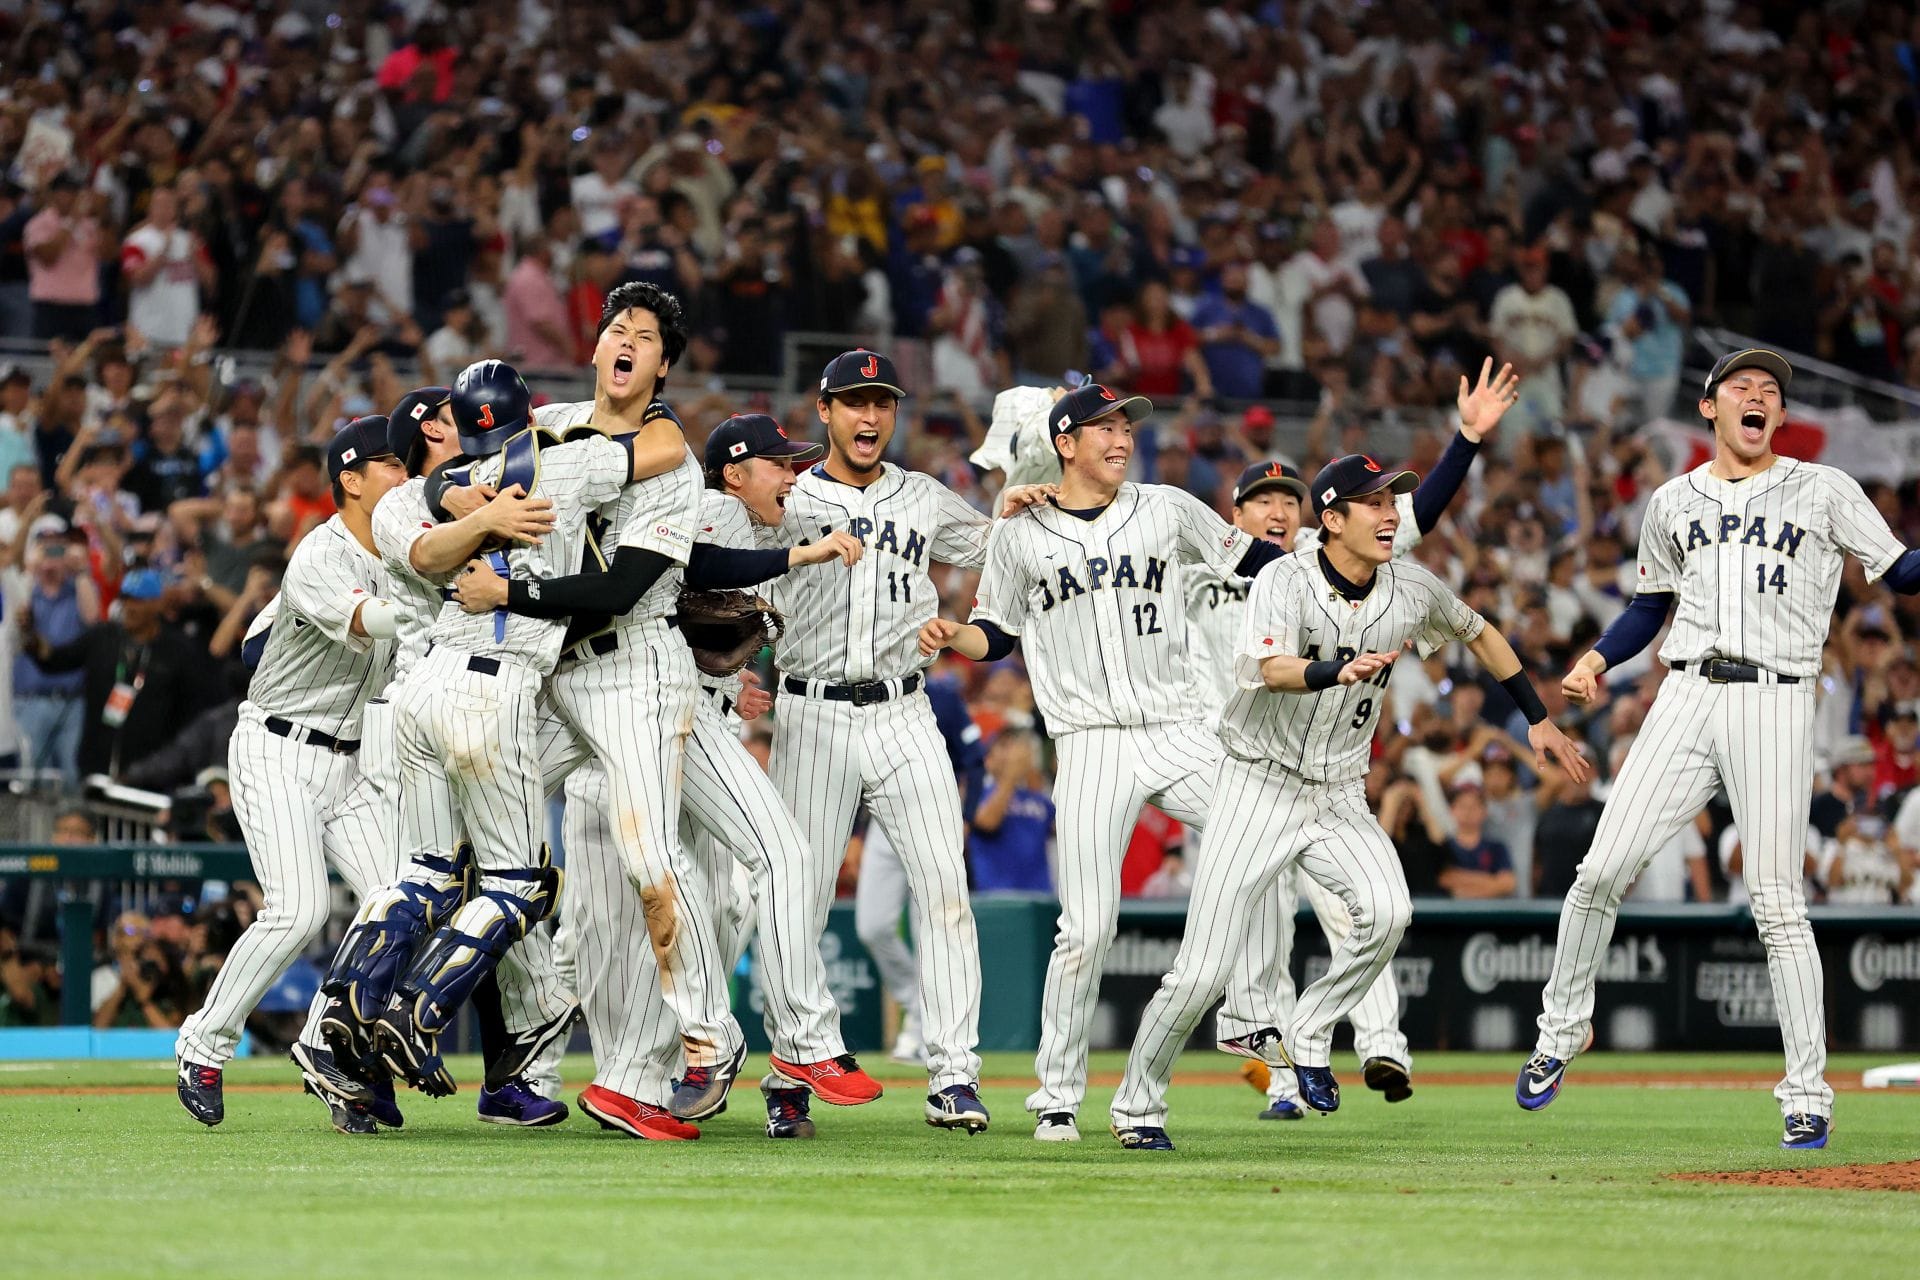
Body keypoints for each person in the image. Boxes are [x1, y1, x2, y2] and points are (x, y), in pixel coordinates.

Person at [1107, 452, 1590, 1150]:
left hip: (1338, 792)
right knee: (1202, 971)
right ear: (1332, 520)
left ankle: (1308, 1029)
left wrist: (1536, 717)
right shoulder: (1283, 577)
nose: (1390, 514)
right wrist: (1335, 670)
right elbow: (1270, 668)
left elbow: (1479, 631)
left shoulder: (1410, 587)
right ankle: (1137, 1105)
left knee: (1388, 913)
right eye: (1374, 503)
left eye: (1393, 502)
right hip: (1257, 784)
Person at [1520, 349, 1920, 1152]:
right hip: (1685, 693)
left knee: (1777, 903)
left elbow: (1902, 571)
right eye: (1742, 386)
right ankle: (1561, 1029)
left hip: (1777, 695)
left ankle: (1806, 1095)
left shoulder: (1823, 487)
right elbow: (1649, 607)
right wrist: (1596, 658)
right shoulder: (1673, 500)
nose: (1758, 395)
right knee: (1600, 870)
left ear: (1779, 416)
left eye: (1771, 390)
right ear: (1710, 407)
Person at [919, 381, 1318, 1143]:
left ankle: (1246, 1014)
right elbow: (995, 634)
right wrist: (952, 636)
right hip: (1090, 741)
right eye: (1104, 427)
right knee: (1087, 930)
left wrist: (1325, 565)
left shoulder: (1166, 507)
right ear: (1065, 444)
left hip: (1179, 727)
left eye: (1126, 427)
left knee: (1267, 835)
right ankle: (1057, 1096)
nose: (1122, 438)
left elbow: (1255, 559)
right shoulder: (1021, 535)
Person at [315, 356, 697, 1108]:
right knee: (518, 886)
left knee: (427, 874)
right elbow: (666, 448)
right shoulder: (564, 466)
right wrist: (494, 513)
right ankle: (416, 1012)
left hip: (418, 691)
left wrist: (465, 505)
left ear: (457, 425)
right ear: (528, 410)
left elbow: (423, 553)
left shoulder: (406, 499)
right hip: (492, 688)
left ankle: (348, 999)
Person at [1182, 358, 1520, 1120]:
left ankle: (1381, 1044)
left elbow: (1413, 517)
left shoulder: (1319, 557)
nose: (1277, 509)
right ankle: (1282, 1077)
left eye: (1288, 498)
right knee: (1260, 926)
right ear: (1234, 513)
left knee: (1354, 908)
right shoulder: (1200, 565)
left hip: (1324, 766)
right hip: (1239, 767)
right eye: (1260, 498)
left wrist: (1465, 440)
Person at [304, 384, 574, 1134]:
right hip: (443, 700)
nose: (474, 428)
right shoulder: (408, 503)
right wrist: (485, 517)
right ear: (430, 431)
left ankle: (375, 1025)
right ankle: (378, 1031)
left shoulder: (489, 479)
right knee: (499, 888)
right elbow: (430, 552)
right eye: (453, 419)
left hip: (443, 705)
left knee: (447, 889)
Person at [757, 349, 999, 1132]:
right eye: (855, 401)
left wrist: (1027, 501)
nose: (870, 415)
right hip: (810, 711)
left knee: (945, 890)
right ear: (824, 411)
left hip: (904, 709)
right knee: (797, 897)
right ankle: (790, 1069)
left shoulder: (922, 496)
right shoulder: (791, 497)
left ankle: (953, 1073)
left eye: (883, 402)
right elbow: (736, 582)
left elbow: (1002, 547)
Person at [172, 417, 408, 1132]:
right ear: (351, 480)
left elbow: (253, 643)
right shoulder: (321, 553)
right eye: (390, 463)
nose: (404, 473)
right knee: (298, 909)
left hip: (354, 758)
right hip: (279, 747)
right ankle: (203, 1044)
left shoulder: (403, 547)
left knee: (399, 905)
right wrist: (450, 599)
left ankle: (323, 1047)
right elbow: (370, 621)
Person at [1438, 783, 1518, 898]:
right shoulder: (1442, 847)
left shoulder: (1497, 847)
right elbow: (1443, 879)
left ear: (1484, 811)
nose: (1468, 812)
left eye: (1473, 807)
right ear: (1451, 810)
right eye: (1462, 806)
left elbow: (1507, 884)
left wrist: (1462, 884)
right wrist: (1491, 880)